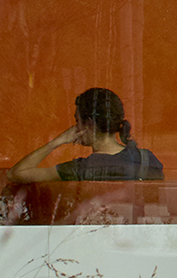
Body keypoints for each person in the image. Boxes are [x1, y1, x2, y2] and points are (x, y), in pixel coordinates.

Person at [12, 86, 165, 201]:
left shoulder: (79, 169)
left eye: (77, 121)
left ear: (90, 124)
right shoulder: (146, 159)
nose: (75, 127)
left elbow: (17, 173)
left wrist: (58, 141)